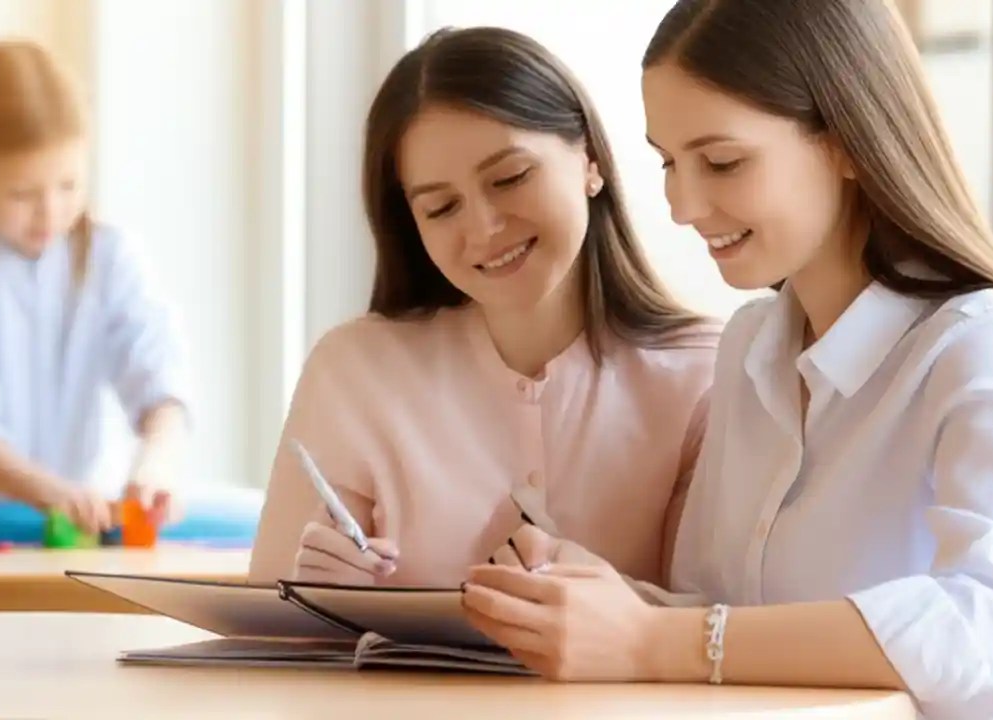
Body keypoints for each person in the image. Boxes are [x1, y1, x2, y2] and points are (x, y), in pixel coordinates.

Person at [460, 2, 993, 718]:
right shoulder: (750, 346)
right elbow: (727, 611)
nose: (682, 203)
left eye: (721, 161)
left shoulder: (983, 344)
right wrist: (603, 603)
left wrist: (658, 640)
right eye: (668, 163)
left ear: (844, 142)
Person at [247, 26, 723, 589]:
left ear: (590, 161)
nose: (484, 229)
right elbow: (266, 625)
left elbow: (711, 624)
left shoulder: (704, 372)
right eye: (442, 207)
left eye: (510, 177)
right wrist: (316, 599)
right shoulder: (354, 369)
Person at [0, 40, 190, 535]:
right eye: (23, 194)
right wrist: (51, 493)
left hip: (78, 527)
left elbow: (158, 374)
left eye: (68, 186)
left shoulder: (111, 255)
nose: (50, 213)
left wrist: (157, 462)